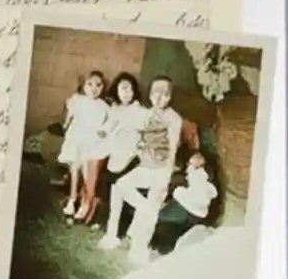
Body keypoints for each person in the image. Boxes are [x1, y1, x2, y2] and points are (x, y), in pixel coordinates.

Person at [98, 75, 183, 265]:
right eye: (155, 94)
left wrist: (166, 176)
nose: (159, 98)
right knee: (121, 186)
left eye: (165, 94)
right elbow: (132, 131)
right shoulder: (145, 114)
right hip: (145, 166)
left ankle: (139, 248)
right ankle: (139, 216)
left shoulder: (174, 118)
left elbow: (173, 146)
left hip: (161, 170)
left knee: (152, 200)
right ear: (150, 94)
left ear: (170, 96)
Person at [77, 72, 146, 225]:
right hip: (113, 149)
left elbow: (142, 132)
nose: (126, 94)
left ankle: (91, 204)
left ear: (134, 91)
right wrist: (101, 132)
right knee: (92, 159)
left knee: (105, 169)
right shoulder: (115, 109)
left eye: (129, 89)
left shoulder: (139, 111)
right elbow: (107, 129)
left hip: (129, 153)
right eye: (123, 89)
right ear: (117, 91)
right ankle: (88, 201)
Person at [59, 70, 109, 219]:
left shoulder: (104, 106)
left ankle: (86, 202)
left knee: (88, 174)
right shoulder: (77, 100)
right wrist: (66, 124)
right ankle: (72, 199)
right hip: (76, 139)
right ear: (84, 86)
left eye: (98, 85)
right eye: (90, 84)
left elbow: (106, 127)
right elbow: (68, 119)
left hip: (91, 142)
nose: (94, 89)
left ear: (103, 87)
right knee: (74, 170)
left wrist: (102, 133)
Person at [150, 152, 218, 254]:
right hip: (193, 212)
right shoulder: (200, 177)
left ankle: (160, 247)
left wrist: (179, 192)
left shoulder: (198, 176)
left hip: (187, 209)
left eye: (190, 163)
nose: (188, 166)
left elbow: (198, 195)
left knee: (162, 218)